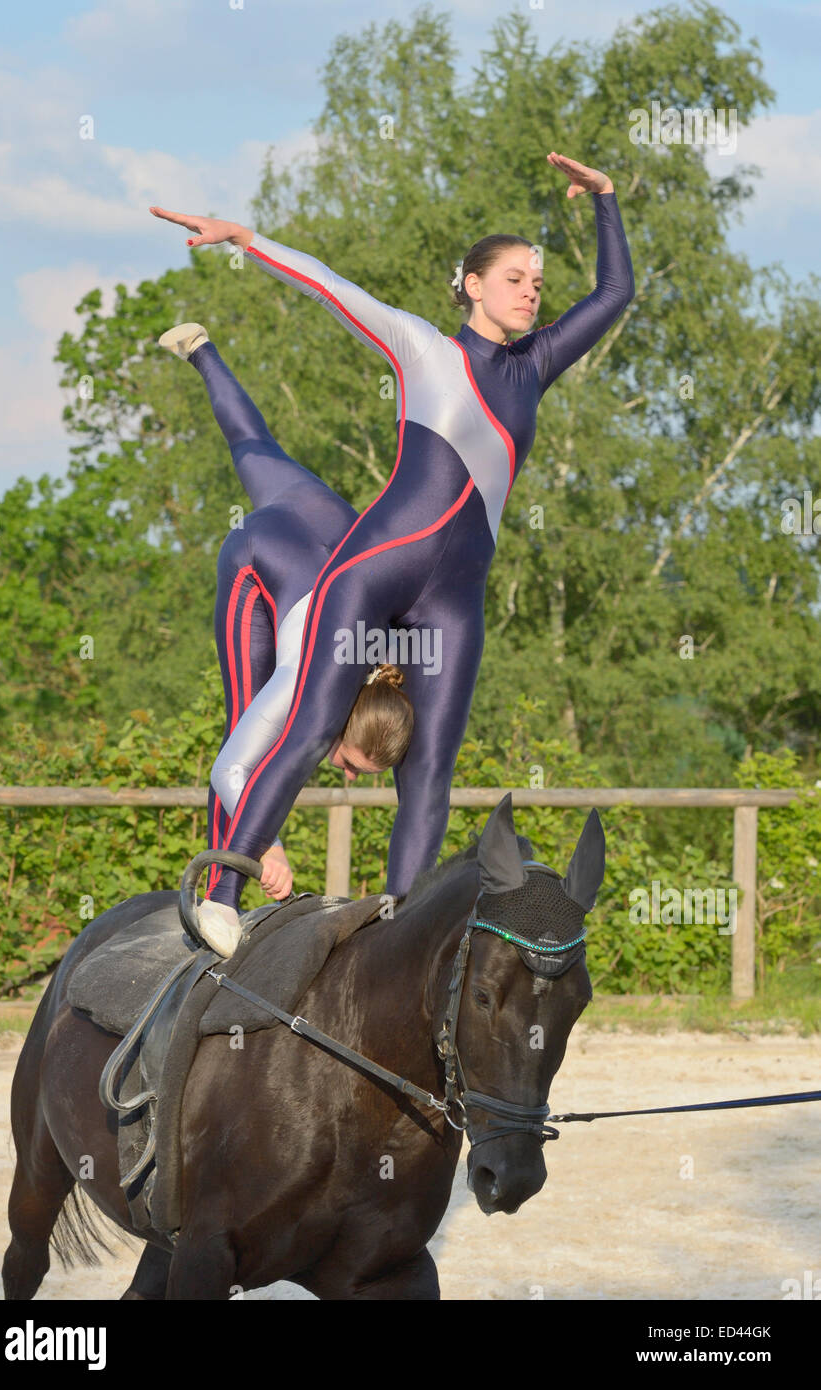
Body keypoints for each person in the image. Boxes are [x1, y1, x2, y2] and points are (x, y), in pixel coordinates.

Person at [149, 149, 634, 908]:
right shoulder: (422, 347)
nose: (532, 293)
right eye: (515, 278)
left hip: (453, 599)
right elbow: (331, 287)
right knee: (310, 729)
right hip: (374, 570)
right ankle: (222, 902)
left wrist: (606, 198)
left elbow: (614, 292)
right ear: (473, 286)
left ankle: (397, 929)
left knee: (431, 773)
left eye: (538, 283)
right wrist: (245, 237)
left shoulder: (534, 368)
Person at [157, 324, 413, 954]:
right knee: (241, 728)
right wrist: (266, 841)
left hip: (327, 519)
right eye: (352, 764)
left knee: (253, 441)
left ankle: (201, 348)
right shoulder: (309, 686)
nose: (348, 778)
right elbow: (229, 770)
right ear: (345, 725)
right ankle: (223, 898)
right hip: (262, 551)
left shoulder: (393, 668)